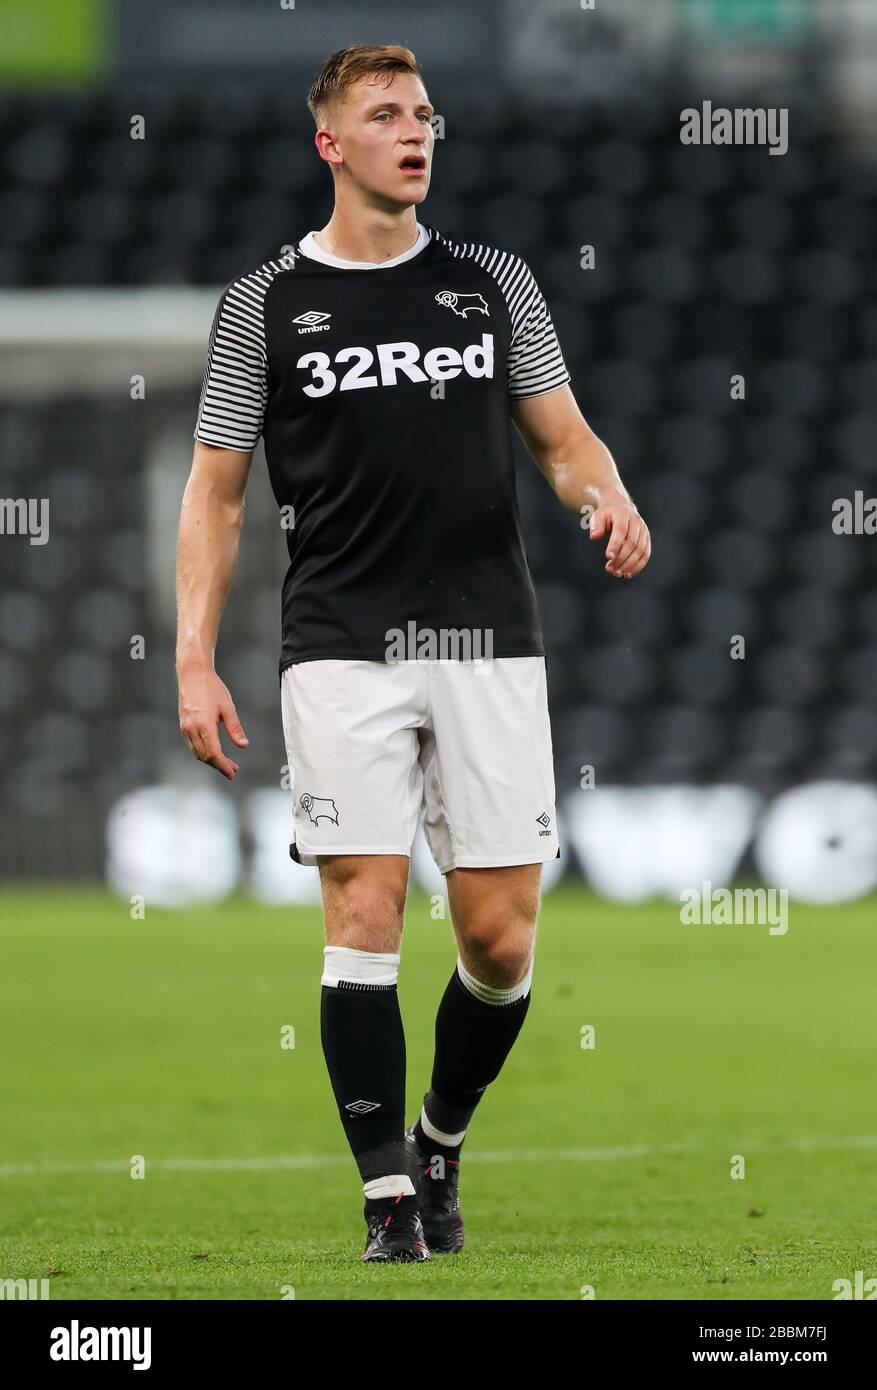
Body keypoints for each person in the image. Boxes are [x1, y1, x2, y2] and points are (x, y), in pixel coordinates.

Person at [176, 43, 650, 1263]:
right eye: (385, 114)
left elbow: (562, 441)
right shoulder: (265, 305)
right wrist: (191, 657)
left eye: (425, 113)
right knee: (366, 909)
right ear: (328, 143)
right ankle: (390, 1198)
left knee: (497, 942)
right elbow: (217, 497)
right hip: (339, 644)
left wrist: (605, 495)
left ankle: (439, 1136)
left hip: (488, 637)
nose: (415, 131)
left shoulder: (492, 284)